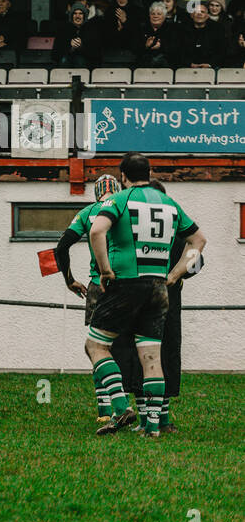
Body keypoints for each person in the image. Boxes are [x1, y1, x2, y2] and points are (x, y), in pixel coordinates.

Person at [88, 153, 207, 438]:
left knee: (97, 345)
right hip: (161, 291)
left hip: (128, 285)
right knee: (153, 356)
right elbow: (199, 242)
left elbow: (97, 231)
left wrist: (105, 270)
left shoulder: (121, 200)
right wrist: (176, 274)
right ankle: (153, 426)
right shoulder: (171, 206)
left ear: (122, 176)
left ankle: (118, 406)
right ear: (150, 172)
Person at [111, 179, 201, 434]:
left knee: (141, 355)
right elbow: (197, 260)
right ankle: (163, 418)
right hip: (169, 299)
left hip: (138, 299)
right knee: (166, 354)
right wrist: (177, 274)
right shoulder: (177, 227)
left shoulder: (133, 225)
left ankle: (145, 419)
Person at [53, 174, 123, 423]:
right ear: (118, 189)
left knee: (97, 346)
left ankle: (105, 410)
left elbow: (61, 248)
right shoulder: (126, 207)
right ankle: (140, 407)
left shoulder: (87, 213)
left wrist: (69, 279)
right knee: (127, 346)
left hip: (98, 285)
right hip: (128, 282)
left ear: (96, 193)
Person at [132, 1, 181, 68]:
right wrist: (146, 45)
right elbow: (135, 48)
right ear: (149, 15)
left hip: (166, 66)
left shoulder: (172, 29)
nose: (155, 16)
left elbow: (176, 49)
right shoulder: (142, 28)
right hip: (144, 66)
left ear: (164, 16)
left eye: (159, 14)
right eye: (153, 14)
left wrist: (161, 46)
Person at [53, 2, 102, 68]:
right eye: (75, 13)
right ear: (71, 16)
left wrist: (82, 47)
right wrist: (70, 47)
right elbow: (55, 55)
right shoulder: (63, 30)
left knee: (80, 60)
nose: (77, 16)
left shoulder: (91, 30)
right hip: (66, 64)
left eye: (80, 13)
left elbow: (96, 55)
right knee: (64, 60)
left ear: (84, 16)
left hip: (86, 66)